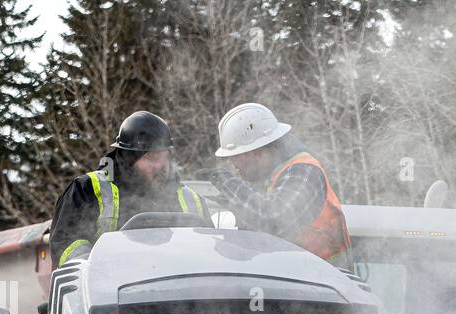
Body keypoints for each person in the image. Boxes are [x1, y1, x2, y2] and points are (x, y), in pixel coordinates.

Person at [50, 111, 210, 268]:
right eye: (152, 157)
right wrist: (100, 269)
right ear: (129, 159)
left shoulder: (192, 200)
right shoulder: (86, 190)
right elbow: (66, 247)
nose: (162, 166)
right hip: (108, 290)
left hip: (181, 290)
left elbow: (209, 254)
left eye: (165, 156)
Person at [203, 103, 352, 268]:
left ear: (257, 151)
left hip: (326, 285)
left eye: (236, 155)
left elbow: (273, 219)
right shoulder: (275, 178)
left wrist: (226, 182)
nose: (232, 162)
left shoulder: (304, 172)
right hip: (308, 283)